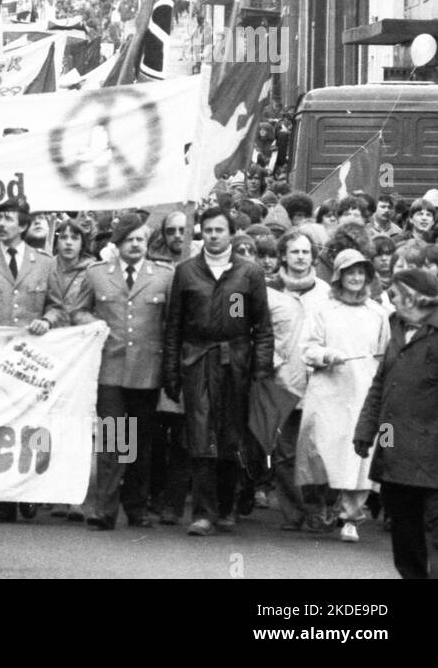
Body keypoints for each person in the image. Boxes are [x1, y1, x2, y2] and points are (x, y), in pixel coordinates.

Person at [162, 205, 274, 537]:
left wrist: (260, 369)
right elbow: (174, 327)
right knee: (200, 435)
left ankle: (227, 506)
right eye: (207, 230)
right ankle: (202, 513)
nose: (212, 235)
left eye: (219, 230)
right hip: (197, 360)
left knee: (230, 436)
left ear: (230, 233)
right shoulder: (186, 272)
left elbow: (262, 327)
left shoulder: (248, 274)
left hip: (236, 363)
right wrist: (171, 371)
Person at [0, 198, 65, 524]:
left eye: (8, 219)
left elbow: (58, 307)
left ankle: (29, 490)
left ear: (22, 225)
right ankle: (2, 498)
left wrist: (46, 321)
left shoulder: (46, 263)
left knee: (33, 424)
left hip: (33, 361)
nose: (1, 225)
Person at [70, 216, 173, 530]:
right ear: (116, 243)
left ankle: (137, 508)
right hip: (111, 370)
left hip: (147, 370)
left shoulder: (164, 276)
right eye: (129, 239)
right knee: (114, 440)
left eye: (140, 239)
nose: (135, 245)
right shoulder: (97, 274)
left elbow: (172, 323)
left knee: (140, 444)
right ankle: (106, 509)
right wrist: (92, 323)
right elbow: (76, 309)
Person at [297, 249, 389, 543]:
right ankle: (323, 506)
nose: (356, 278)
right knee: (322, 449)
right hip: (329, 390)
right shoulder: (323, 309)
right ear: (339, 276)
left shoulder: (377, 313)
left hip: (363, 390)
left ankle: (352, 516)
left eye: (361, 273)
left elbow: (385, 352)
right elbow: (307, 348)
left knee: (358, 456)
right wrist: (327, 355)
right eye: (350, 272)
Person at [354, 268, 438, 578]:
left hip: (431, 456)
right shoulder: (396, 325)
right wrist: (366, 429)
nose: (391, 299)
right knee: (404, 533)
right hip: (393, 446)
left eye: (397, 294)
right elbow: (382, 383)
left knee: (433, 536)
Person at [264, 229, 331, 532]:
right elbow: (261, 335)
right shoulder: (268, 292)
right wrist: (275, 366)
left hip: (320, 383)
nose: (301, 257)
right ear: (283, 256)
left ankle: (317, 509)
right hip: (283, 383)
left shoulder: (326, 292)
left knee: (316, 451)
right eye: (294, 252)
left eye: (305, 252)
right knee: (285, 452)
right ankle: (294, 511)